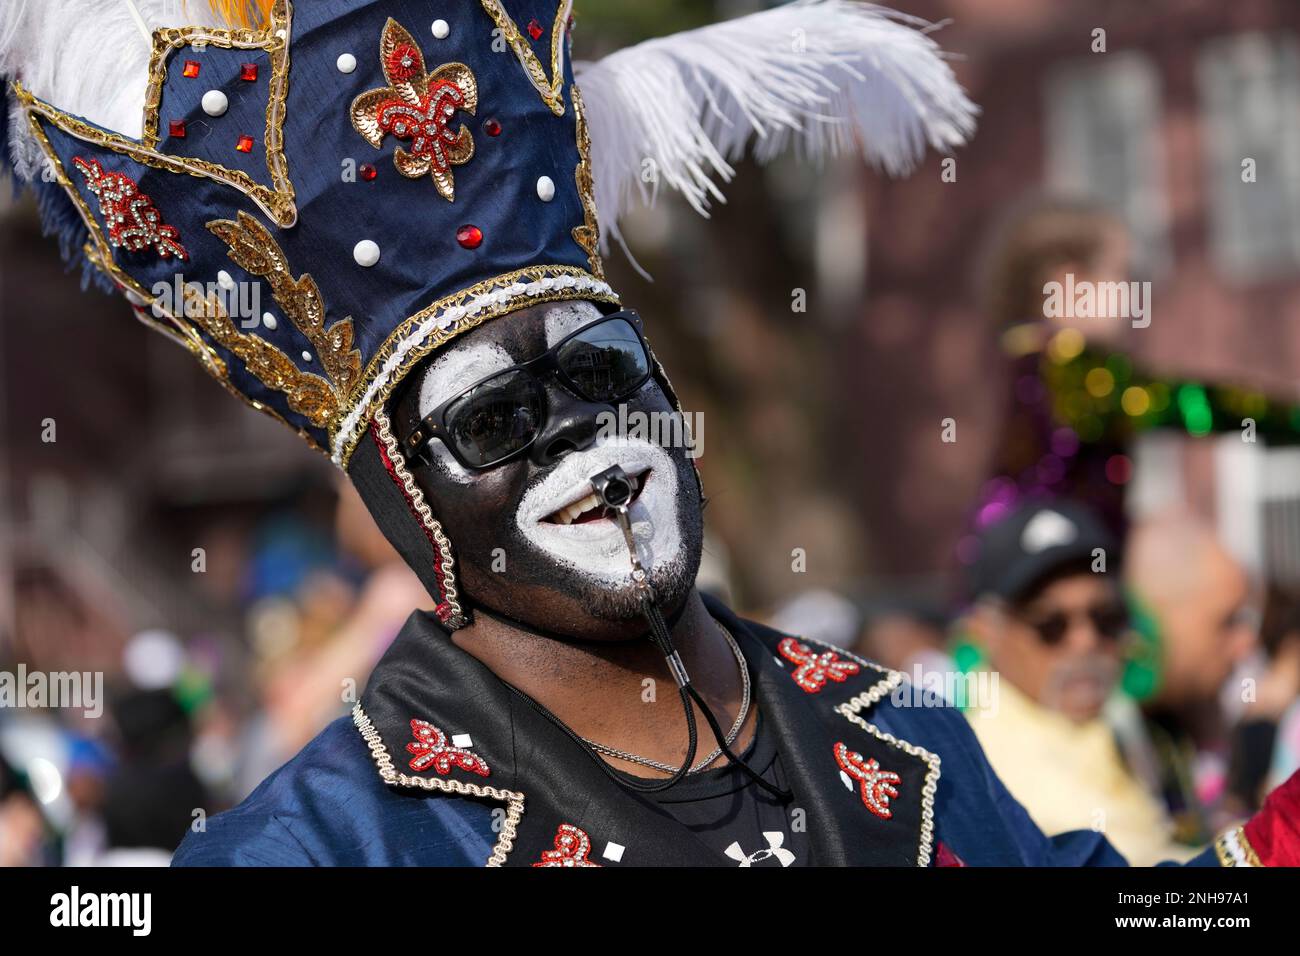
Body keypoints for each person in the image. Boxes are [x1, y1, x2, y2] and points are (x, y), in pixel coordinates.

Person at [5, 0, 1295, 867]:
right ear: (405, 492)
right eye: (497, 417)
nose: (585, 431)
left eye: (602, 368)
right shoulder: (333, 843)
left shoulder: (896, 729)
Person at [959, 500, 1193, 865]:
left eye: (1106, 618)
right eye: (1051, 624)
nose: (1085, 641)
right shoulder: (988, 766)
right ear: (986, 633)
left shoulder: (1127, 725)